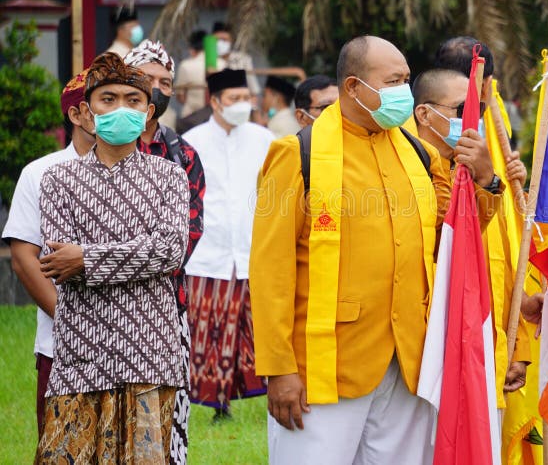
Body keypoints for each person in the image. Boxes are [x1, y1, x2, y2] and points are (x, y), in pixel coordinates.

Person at [249, 35, 503, 464]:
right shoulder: (298, 154)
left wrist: (486, 182)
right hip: (327, 364)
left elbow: (453, 239)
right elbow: (270, 268)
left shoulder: (416, 153)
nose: (405, 90)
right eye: (394, 81)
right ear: (353, 88)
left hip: (407, 361)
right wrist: (279, 369)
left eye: (407, 79)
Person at [35, 52, 189, 463]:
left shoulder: (169, 176)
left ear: (149, 110)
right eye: (108, 99)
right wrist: (135, 256)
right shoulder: (58, 180)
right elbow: (57, 264)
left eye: (132, 100)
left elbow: (171, 249)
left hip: (150, 351)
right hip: (82, 351)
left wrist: (86, 259)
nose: (121, 108)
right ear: (86, 111)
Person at [411, 67, 530, 406]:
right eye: (462, 111)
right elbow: (442, 242)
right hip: (423, 337)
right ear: (424, 113)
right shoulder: (406, 166)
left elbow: (499, 260)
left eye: (476, 112)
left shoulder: (468, 169)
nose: (471, 121)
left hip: (476, 330)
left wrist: (489, 180)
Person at [124, 39, 206, 465]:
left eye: (166, 82)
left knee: (163, 418)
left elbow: (182, 240)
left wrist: (106, 257)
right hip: (101, 312)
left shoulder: (183, 156)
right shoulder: (96, 149)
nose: (157, 88)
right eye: (146, 78)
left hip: (165, 307)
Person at [2, 70, 95, 439]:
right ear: (77, 114)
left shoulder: (151, 173)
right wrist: (74, 321)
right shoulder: (39, 174)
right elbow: (25, 259)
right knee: (64, 446)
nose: (118, 110)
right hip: (63, 346)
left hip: (131, 349)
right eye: (105, 101)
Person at [182, 68, 274, 421]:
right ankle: (215, 402)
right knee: (208, 328)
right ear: (215, 101)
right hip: (208, 252)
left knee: (253, 329)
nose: (241, 105)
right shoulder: (192, 141)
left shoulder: (264, 139)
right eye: (233, 99)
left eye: (246, 99)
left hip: (253, 249)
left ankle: (262, 393)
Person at [212, 22, 260, 96]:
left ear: (231, 40)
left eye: (224, 40)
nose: (220, 43)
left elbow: (253, 87)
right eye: (217, 40)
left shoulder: (243, 59)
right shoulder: (206, 60)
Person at [175, 29, 208, 121]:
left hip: (191, 116)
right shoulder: (222, 64)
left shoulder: (186, 65)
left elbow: (180, 96)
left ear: (192, 49)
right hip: (215, 116)